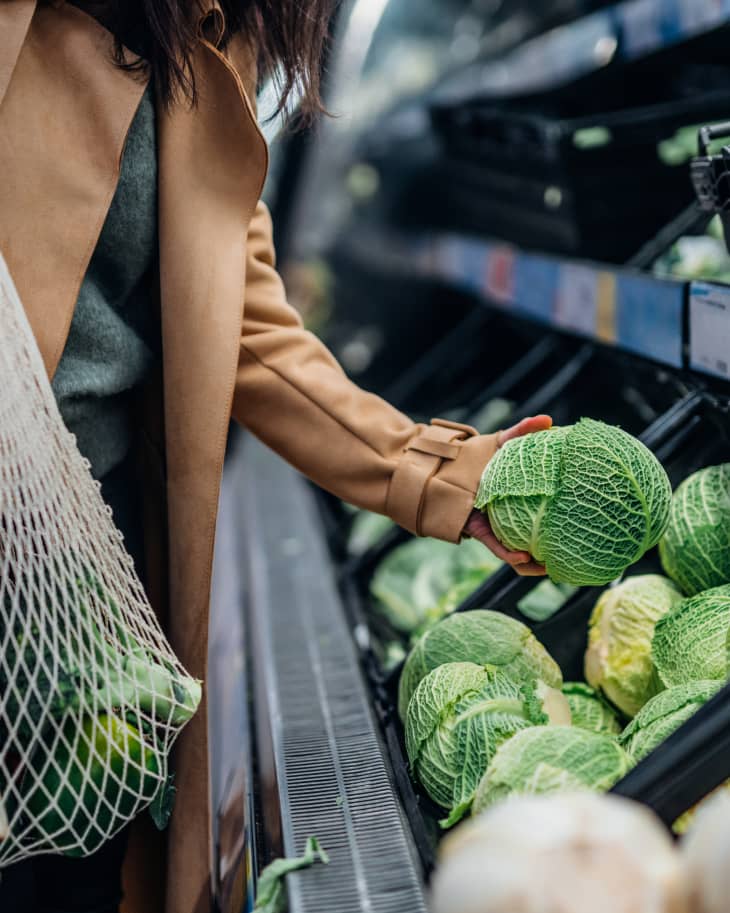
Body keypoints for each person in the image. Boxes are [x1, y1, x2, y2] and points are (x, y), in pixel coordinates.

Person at [0, 2, 549, 911]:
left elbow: (248, 326)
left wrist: (446, 473)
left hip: (82, 561)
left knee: (61, 866)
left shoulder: (213, 36)